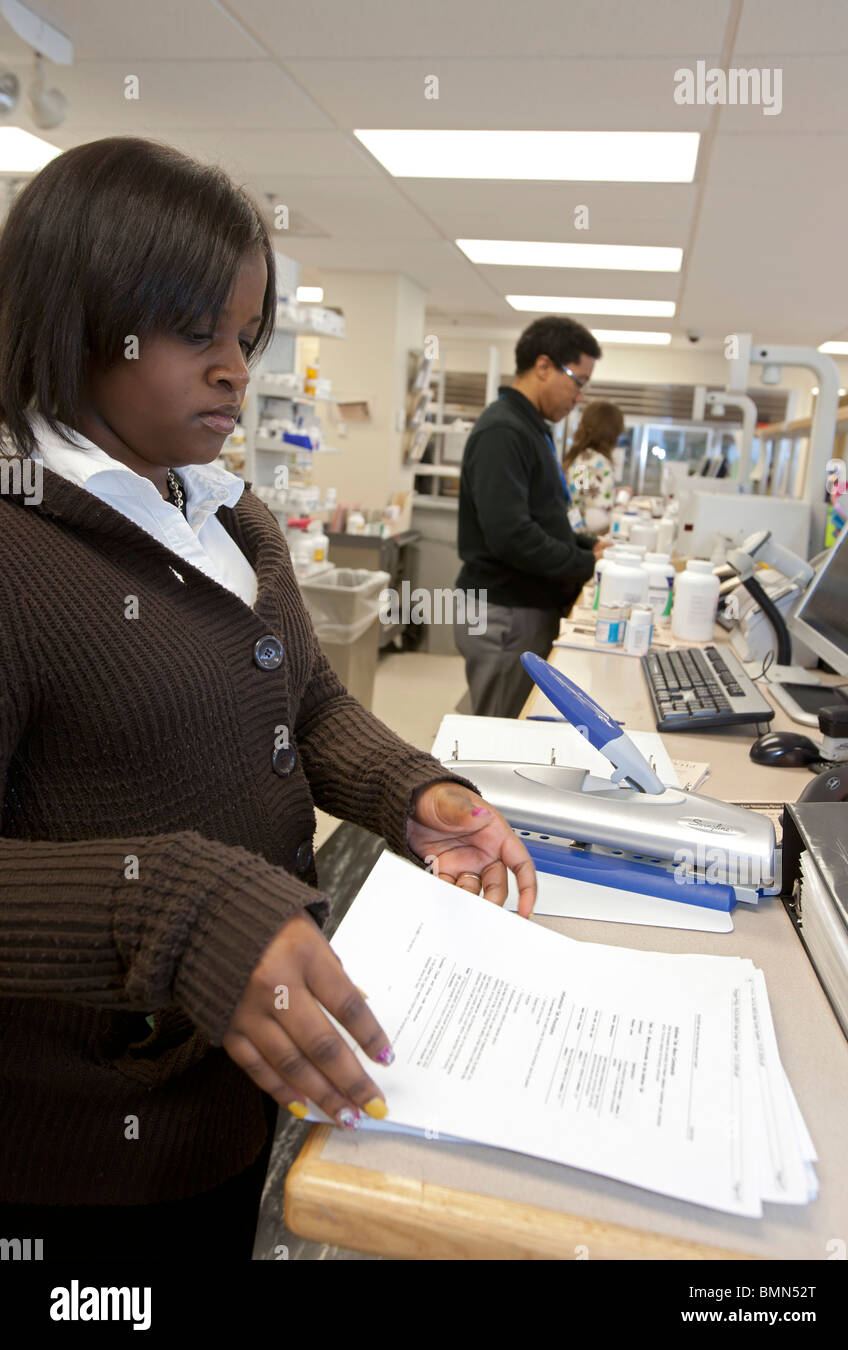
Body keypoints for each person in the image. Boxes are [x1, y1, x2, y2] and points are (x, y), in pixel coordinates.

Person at [0, 136, 538, 1261]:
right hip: (71, 1152)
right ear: (76, 315)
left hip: (232, 1090)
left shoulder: (227, 518)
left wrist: (410, 788)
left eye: (245, 336)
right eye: (195, 332)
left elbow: (307, 699)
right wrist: (172, 905)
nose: (235, 370)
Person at [455, 316, 608, 718]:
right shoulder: (503, 431)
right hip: (504, 611)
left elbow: (547, 519)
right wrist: (588, 563)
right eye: (578, 380)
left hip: (523, 607)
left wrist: (592, 546)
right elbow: (512, 535)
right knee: (498, 736)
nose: (579, 396)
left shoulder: (532, 428)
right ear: (543, 366)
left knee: (512, 723)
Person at [563, 399, 625, 535]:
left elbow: (580, 495)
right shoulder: (599, 463)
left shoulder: (582, 458)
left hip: (574, 535)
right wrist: (620, 510)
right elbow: (594, 520)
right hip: (587, 540)